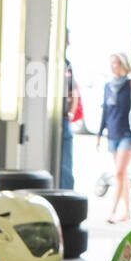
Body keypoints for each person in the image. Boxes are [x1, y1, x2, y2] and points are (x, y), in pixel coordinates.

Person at [96, 52, 131, 223]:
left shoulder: (130, 85)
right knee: (122, 175)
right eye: (111, 63)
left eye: (116, 63)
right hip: (112, 132)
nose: (113, 66)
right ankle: (127, 211)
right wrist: (99, 134)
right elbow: (105, 110)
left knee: (119, 172)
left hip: (127, 133)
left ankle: (112, 211)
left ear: (122, 64)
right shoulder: (108, 86)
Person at [61, 34, 76, 189]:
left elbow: (73, 93)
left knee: (66, 165)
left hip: (64, 120)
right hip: (55, 120)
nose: (69, 43)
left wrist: (70, 113)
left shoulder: (67, 65)